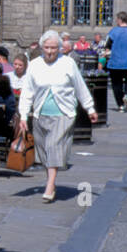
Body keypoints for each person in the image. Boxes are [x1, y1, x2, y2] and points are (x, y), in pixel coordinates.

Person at [17, 29, 97, 202]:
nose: (50, 51)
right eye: (47, 47)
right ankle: (50, 180)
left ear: (60, 48)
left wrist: (90, 108)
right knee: (44, 151)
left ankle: (49, 186)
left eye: (54, 48)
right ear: (41, 47)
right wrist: (23, 115)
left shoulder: (68, 64)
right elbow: (27, 92)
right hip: (40, 114)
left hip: (63, 114)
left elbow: (80, 87)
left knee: (53, 146)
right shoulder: (35, 65)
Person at [104, 11, 127, 111]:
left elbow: (107, 46)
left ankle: (120, 105)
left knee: (116, 84)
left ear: (120, 20)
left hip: (115, 62)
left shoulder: (113, 32)